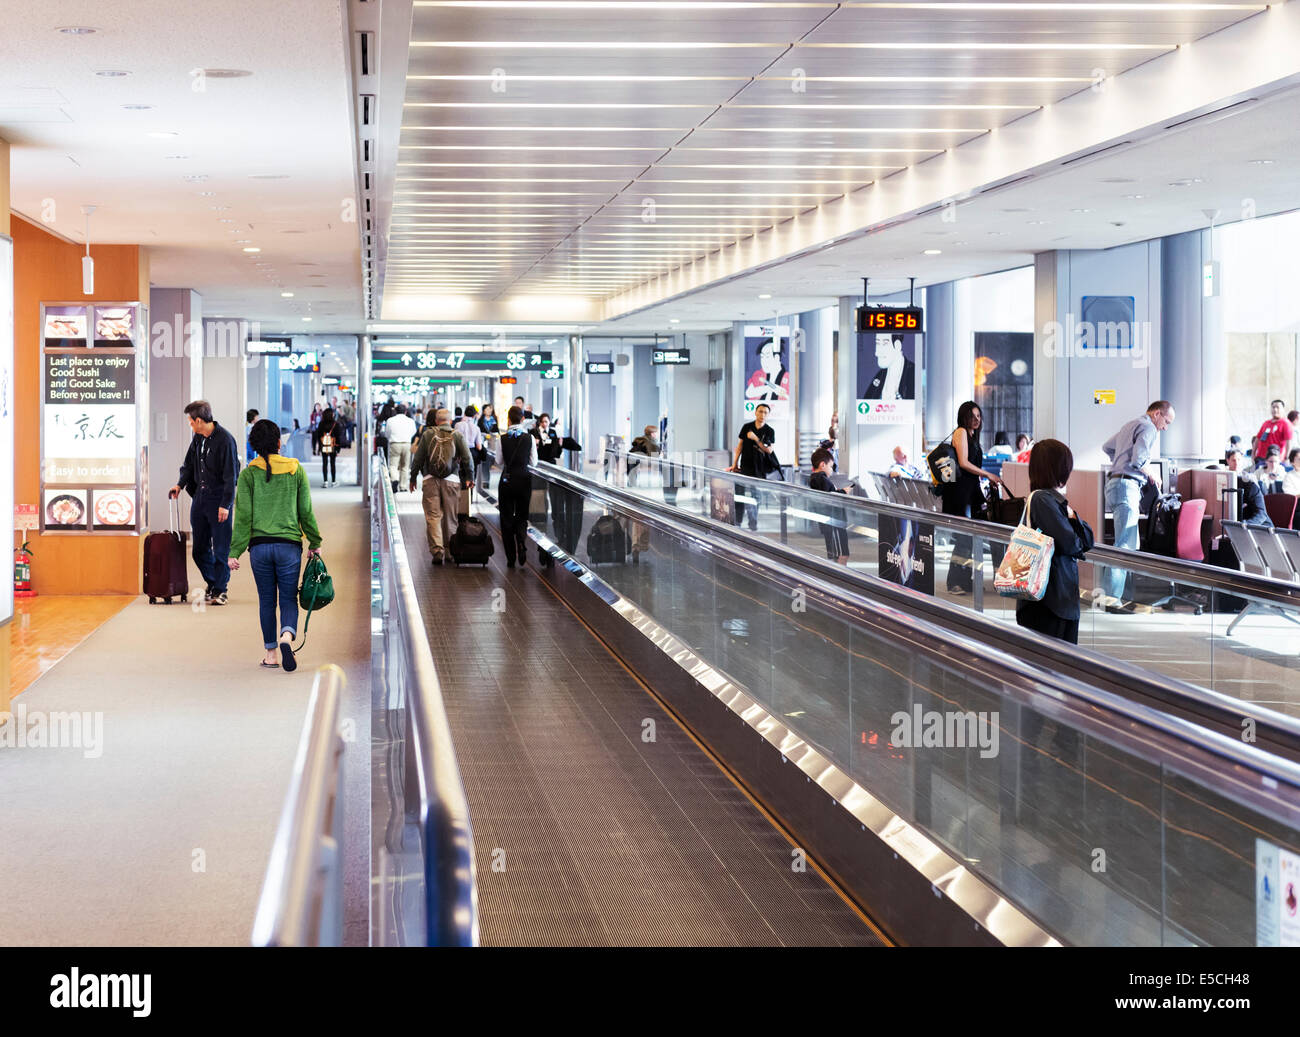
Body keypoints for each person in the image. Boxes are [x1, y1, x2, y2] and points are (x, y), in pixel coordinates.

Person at [226, 419, 322, 672]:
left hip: (259, 548)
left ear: (253, 446)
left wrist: (234, 551)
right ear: (279, 443)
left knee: (267, 600)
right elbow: (305, 511)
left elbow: (243, 517)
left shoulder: (248, 474)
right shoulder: (295, 469)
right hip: (289, 546)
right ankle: (286, 637)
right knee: (289, 598)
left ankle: (270, 653)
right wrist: (315, 541)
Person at [1014, 439, 1095, 645]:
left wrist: (1072, 517)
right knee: (1053, 665)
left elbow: (1086, 540)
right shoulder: (1042, 500)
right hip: (1048, 600)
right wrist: (1073, 524)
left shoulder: (1054, 501)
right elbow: (1072, 543)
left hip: (1059, 599)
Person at [1101, 400, 1175, 608]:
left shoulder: (1130, 425)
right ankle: (1111, 599)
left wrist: (1119, 463)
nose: (1165, 427)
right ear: (1157, 414)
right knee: (1125, 546)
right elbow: (1140, 458)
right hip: (1127, 487)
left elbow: (1107, 446)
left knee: (1124, 543)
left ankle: (1115, 596)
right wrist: (1152, 475)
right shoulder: (1149, 427)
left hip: (1114, 485)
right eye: (1166, 422)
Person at [169, 400, 239, 606]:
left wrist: (226, 504)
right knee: (199, 549)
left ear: (199, 420)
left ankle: (220, 590)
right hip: (200, 499)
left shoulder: (225, 440)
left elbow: (231, 475)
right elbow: (189, 465)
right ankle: (213, 582)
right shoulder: (198, 438)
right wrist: (180, 485)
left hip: (219, 501)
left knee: (220, 548)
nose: (190, 425)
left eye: (191, 422)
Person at [939, 400, 1002, 595]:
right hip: (961, 493)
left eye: (978, 416)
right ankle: (955, 581)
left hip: (972, 492)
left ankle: (967, 579)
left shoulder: (973, 436)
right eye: (972, 416)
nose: (976, 419)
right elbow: (964, 463)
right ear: (963, 417)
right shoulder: (961, 433)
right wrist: (987, 474)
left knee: (980, 534)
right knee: (965, 537)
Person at [409, 407, 473, 565]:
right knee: (450, 517)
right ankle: (451, 551)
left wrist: (412, 478)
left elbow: (418, 458)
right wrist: (470, 477)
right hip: (451, 479)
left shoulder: (428, 434)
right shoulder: (457, 435)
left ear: (437, 421)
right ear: (450, 421)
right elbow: (467, 458)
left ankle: (437, 551)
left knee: (433, 517)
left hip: (430, 479)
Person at [495, 405, 538, 569]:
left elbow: (499, 461)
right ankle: (521, 540)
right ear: (522, 420)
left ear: (508, 420)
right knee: (522, 514)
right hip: (524, 480)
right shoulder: (530, 438)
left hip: (507, 481)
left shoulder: (502, 438)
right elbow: (534, 462)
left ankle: (511, 557)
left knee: (506, 517)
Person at [727, 402, 776, 530]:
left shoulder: (769, 431)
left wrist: (756, 439)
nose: (762, 414)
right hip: (744, 466)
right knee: (739, 494)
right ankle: (738, 520)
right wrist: (734, 463)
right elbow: (740, 446)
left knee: (756, 496)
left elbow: (769, 450)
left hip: (760, 469)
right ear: (755, 412)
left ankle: (753, 521)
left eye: (765, 412)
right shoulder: (746, 427)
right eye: (760, 411)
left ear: (768, 415)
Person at [809, 446, 850, 565]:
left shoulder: (814, 479)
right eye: (830, 466)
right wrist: (844, 491)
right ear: (822, 465)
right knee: (842, 554)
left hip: (829, 523)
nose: (832, 470)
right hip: (834, 523)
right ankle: (841, 579)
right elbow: (831, 498)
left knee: (835, 554)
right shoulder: (822, 479)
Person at [1224, 448, 1273, 526]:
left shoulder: (1249, 480)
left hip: (1255, 523)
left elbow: (1260, 512)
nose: (1236, 463)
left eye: (1239, 460)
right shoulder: (1224, 478)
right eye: (1233, 460)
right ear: (1227, 460)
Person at [863, 332, 915, 400]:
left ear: (897, 346)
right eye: (877, 343)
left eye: (884, 344)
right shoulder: (880, 375)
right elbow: (866, 403)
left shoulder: (913, 372)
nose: (877, 353)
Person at [385, 404, 417, 494]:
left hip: (394, 444)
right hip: (407, 444)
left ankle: (394, 479)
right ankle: (403, 486)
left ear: (395, 411)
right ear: (405, 411)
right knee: (405, 466)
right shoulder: (410, 421)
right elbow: (413, 432)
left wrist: (391, 438)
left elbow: (387, 433)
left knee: (393, 465)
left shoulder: (390, 420)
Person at [745, 337, 790, 402]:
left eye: (767, 357)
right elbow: (749, 393)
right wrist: (771, 388)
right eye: (762, 357)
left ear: (777, 358)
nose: (763, 361)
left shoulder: (788, 378)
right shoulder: (759, 374)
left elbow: (792, 401)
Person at [317, 407, 340, 487]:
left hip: (324, 446)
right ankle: (333, 482)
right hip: (332, 446)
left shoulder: (321, 424)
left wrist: (319, 447)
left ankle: (325, 482)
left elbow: (318, 436)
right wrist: (338, 448)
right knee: (333, 464)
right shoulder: (335, 424)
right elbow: (338, 437)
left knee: (325, 463)